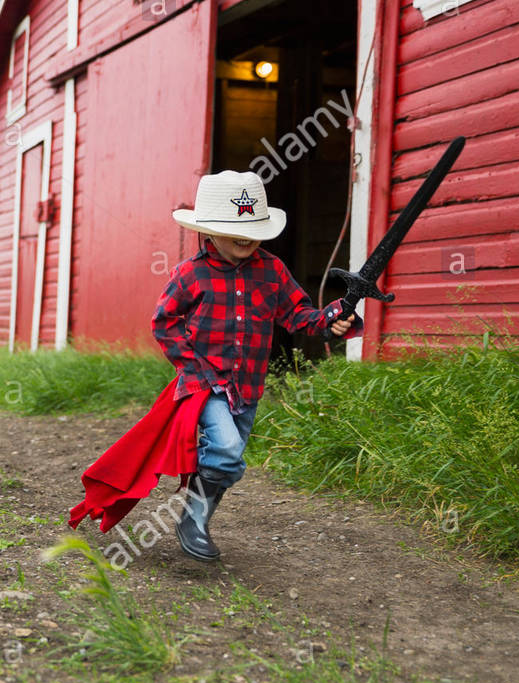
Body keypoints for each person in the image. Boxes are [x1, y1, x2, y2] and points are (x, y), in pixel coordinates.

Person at [68, 169, 361, 563]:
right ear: (208, 230)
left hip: (248, 388)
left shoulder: (271, 271)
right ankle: (193, 511)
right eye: (233, 228)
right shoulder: (191, 274)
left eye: (252, 228)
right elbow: (164, 321)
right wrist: (195, 370)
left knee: (227, 460)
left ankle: (195, 519)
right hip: (206, 385)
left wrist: (332, 319)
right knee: (225, 452)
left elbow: (299, 316)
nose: (245, 238)